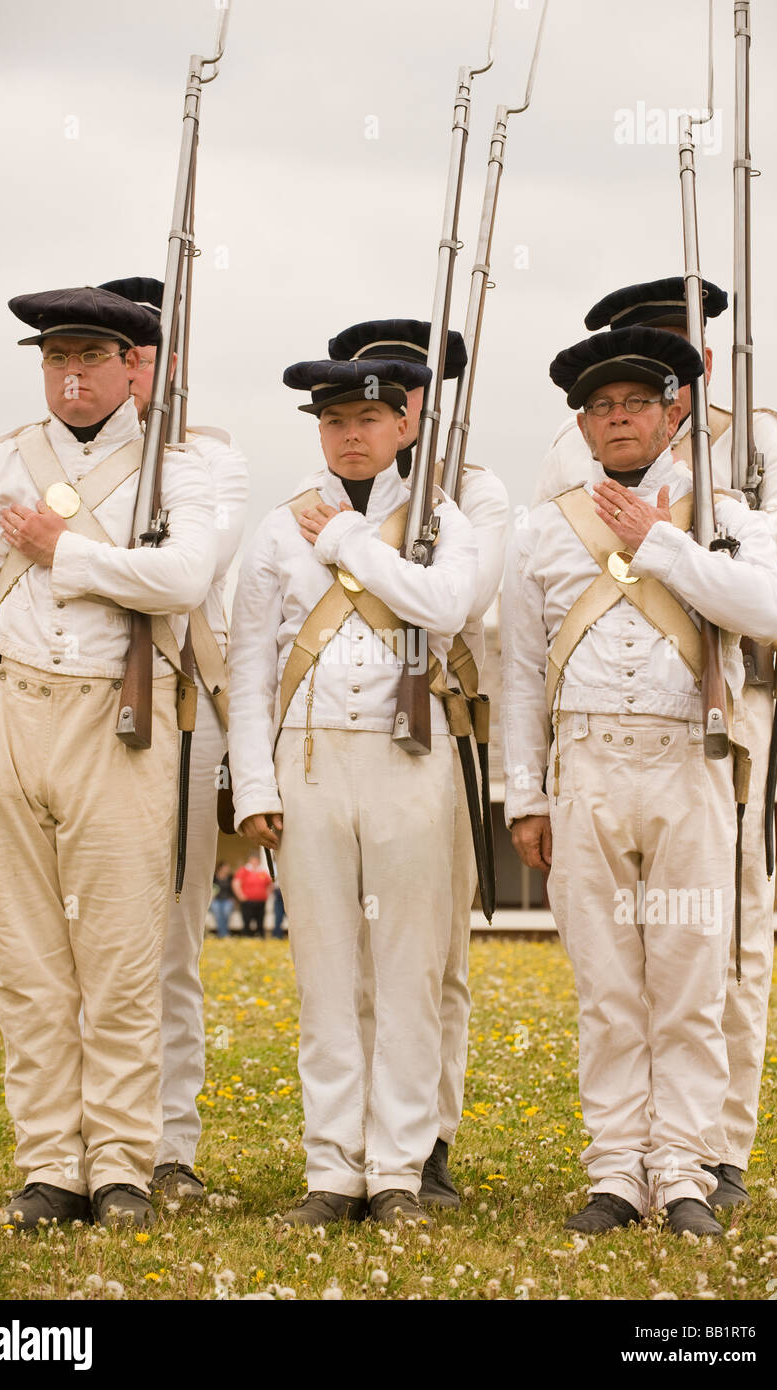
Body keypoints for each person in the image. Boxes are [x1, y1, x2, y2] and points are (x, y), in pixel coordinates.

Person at [0, 285, 215, 1230]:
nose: (70, 375)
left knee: (122, 959)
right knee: (27, 961)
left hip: (119, 720)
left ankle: (123, 1165)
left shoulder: (182, 466)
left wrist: (65, 551)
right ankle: (50, 1163)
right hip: (10, 714)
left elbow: (183, 579)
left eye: (91, 358)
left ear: (129, 366)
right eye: (56, 357)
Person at [502, 325, 777, 1238]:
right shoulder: (542, 529)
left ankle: (686, 1169)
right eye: (599, 407)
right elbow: (516, 673)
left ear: (672, 414)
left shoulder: (721, 514)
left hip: (687, 759)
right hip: (584, 764)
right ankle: (616, 1169)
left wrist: (664, 545)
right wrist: (525, 796)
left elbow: (765, 609)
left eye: (634, 403)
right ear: (580, 426)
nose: (616, 418)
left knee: (691, 978)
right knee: (609, 986)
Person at [227, 356, 477, 1226]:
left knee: (409, 970)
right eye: (333, 421)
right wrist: (251, 781)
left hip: (410, 757)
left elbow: (446, 606)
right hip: (306, 762)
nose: (350, 436)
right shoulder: (273, 528)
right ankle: (333, 1170)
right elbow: (249, 664)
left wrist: (343, 543)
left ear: (403, 425)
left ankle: (399, 1172)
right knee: (325, 975)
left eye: (367, 420)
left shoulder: (440, 516)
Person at [327, 319, 510, 1208]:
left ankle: (428, 1135)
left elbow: (462, 603)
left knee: (434, 958)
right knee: (348, 960)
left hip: (442, 728)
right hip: (345, 737)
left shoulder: (473, 493)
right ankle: (357, 1139)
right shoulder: (335, 495)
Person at [99, 276, 249, 1203]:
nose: (136, 370)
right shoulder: (55, 462)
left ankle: (167, 1148)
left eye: (147, 352)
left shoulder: (211, 457)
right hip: (75, 710)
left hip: (184, 708)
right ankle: (94, 1143)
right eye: (121, 354)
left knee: (170, 942)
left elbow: (188, 576)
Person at [232, 853, 271, 938]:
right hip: (247, 901)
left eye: (257, 860)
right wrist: (240, 895)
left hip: (260, 901)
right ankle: (247, 936)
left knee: (260, 921)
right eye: (253, 860)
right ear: (250, 860)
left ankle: (260, 936)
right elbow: (236, 883)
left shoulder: (262, 871)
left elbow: (269, 884)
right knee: (247, 920)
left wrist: (267, 895)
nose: (255, 862)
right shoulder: (244, 870)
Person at [212, 862, 236, 939]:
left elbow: (233, 889)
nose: (227, 869)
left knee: (226, 912)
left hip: (227, 900)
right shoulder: (214, 877)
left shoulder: (231, 878)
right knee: (218, 913)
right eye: (225, 867)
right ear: (220, 868)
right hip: (216, 900)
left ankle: (224, 933)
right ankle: (222, 933)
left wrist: (233, 898)